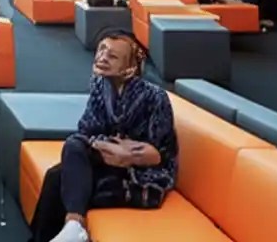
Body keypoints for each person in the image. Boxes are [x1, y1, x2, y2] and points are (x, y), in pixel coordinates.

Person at [29, 31, 177, 242]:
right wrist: (114, 147)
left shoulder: (155, 97)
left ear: (131, 68)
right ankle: (72, 227)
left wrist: (125, 154)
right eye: (101, 51)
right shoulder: (100, 85)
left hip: (142, 175)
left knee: (64, 180)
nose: (102, 58)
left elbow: (157, 155)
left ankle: (72, 226)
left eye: (112, 56)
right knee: (63, 165)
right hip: (105, 160)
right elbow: (86, 130)